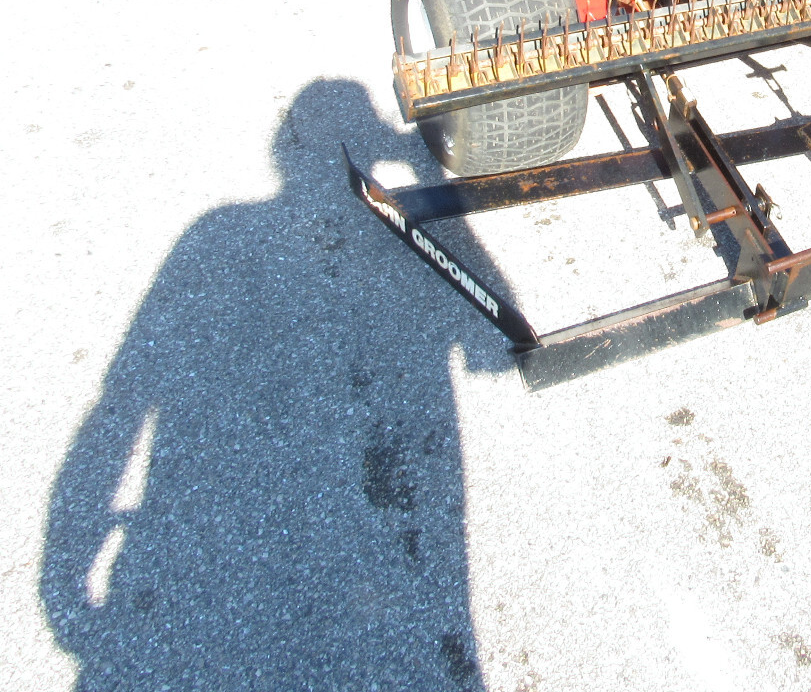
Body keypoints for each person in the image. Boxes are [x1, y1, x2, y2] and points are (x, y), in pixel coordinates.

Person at [42, 79, 511, 690]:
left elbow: (122, 403)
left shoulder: (212, 231)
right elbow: (123, 401)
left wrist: (72, 580)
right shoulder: (215, 234)